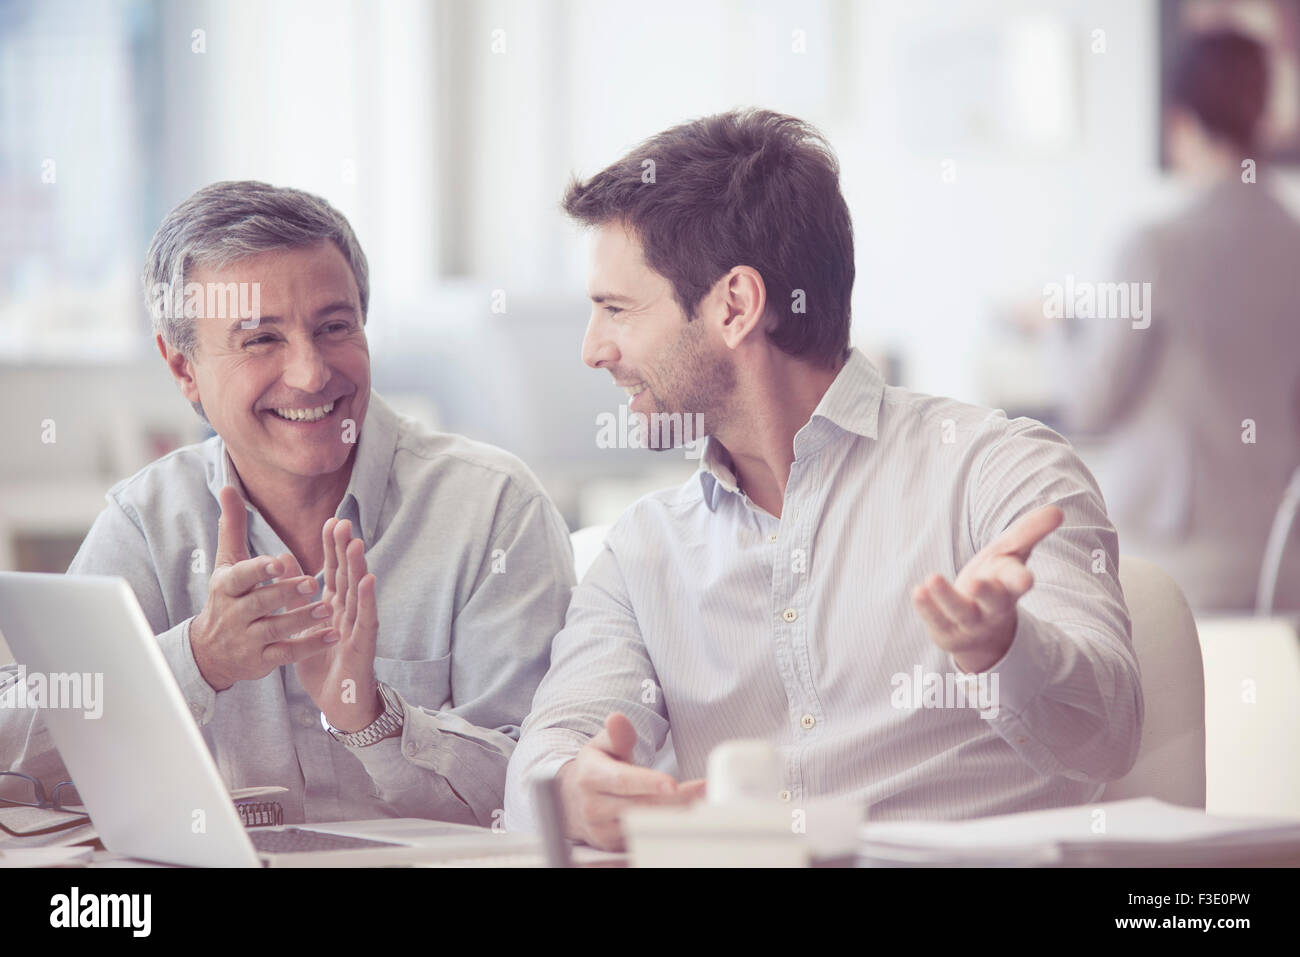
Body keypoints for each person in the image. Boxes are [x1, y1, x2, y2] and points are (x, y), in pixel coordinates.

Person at [504, 109, 1143, 850]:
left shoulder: (1000, 475)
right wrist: (573, 791)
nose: (592, 349)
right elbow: (546, 756)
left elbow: (1110, 734)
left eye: (616, 309)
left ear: (735, 306)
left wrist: (1004, 648)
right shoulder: (642, 551)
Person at [0, 181, 575, 826]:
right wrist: (199, 660)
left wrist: (371, 718)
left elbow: (537, 790)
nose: (310, 373)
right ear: (183, 367)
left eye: (334, 327)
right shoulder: (148, 521)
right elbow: (9, 756)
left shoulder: (492, 508)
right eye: (259, 339)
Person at [1056, 29, 1300, 612]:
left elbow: (1091, 402)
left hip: (1175, 559)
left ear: (1181, 124)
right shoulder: (1293, 243)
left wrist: (1064, 327)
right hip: (1281, 554)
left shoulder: (1156, 248)